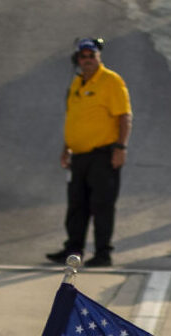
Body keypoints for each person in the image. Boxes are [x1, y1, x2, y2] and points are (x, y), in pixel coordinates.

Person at [48, 37, 128, 266]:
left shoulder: (111, 81)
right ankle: (73, 249)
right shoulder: (76, 84)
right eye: (83, 56)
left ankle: (103, 253)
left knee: (102, 204)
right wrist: (66, 148)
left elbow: (124, 116)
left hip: (103, 155)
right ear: (78, 59)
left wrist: (121, 147)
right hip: (79, 156)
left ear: (98, 57)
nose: (88, 60)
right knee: (76, 205)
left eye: (92, 56)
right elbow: (72, 119)